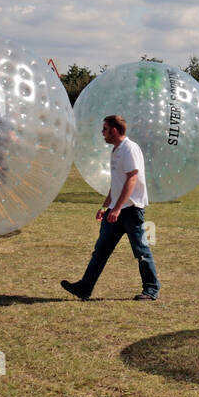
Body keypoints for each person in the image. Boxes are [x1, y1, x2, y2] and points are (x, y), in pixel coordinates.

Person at [61, 115, 160, 301]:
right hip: (116, 209)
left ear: (114, 130)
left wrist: (118, 208)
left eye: (105, 129)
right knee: (101, 250)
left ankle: (151, 289)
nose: (102, 133)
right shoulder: (116, 150)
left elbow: (132, 178)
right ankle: (85, 288)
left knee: (141, 251)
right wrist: (106, 206)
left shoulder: (129, 148)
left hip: (131, 210)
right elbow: (116, 183)